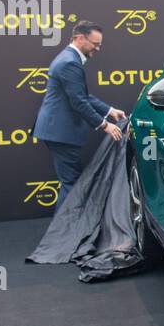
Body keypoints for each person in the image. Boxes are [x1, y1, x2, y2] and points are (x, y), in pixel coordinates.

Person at [33, 21, 126, 202]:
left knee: (71, 183)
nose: (98, 48)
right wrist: (104, 125)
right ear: (80, 38)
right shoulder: (69, 62)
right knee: (71, 185)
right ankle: (64, 230)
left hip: (58, 132)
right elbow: (79, 102)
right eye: (95, 44)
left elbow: (82, 95)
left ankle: (66, 228)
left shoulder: (69, 59)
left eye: (100, 44)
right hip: (60, 133)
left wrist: (109, 110)